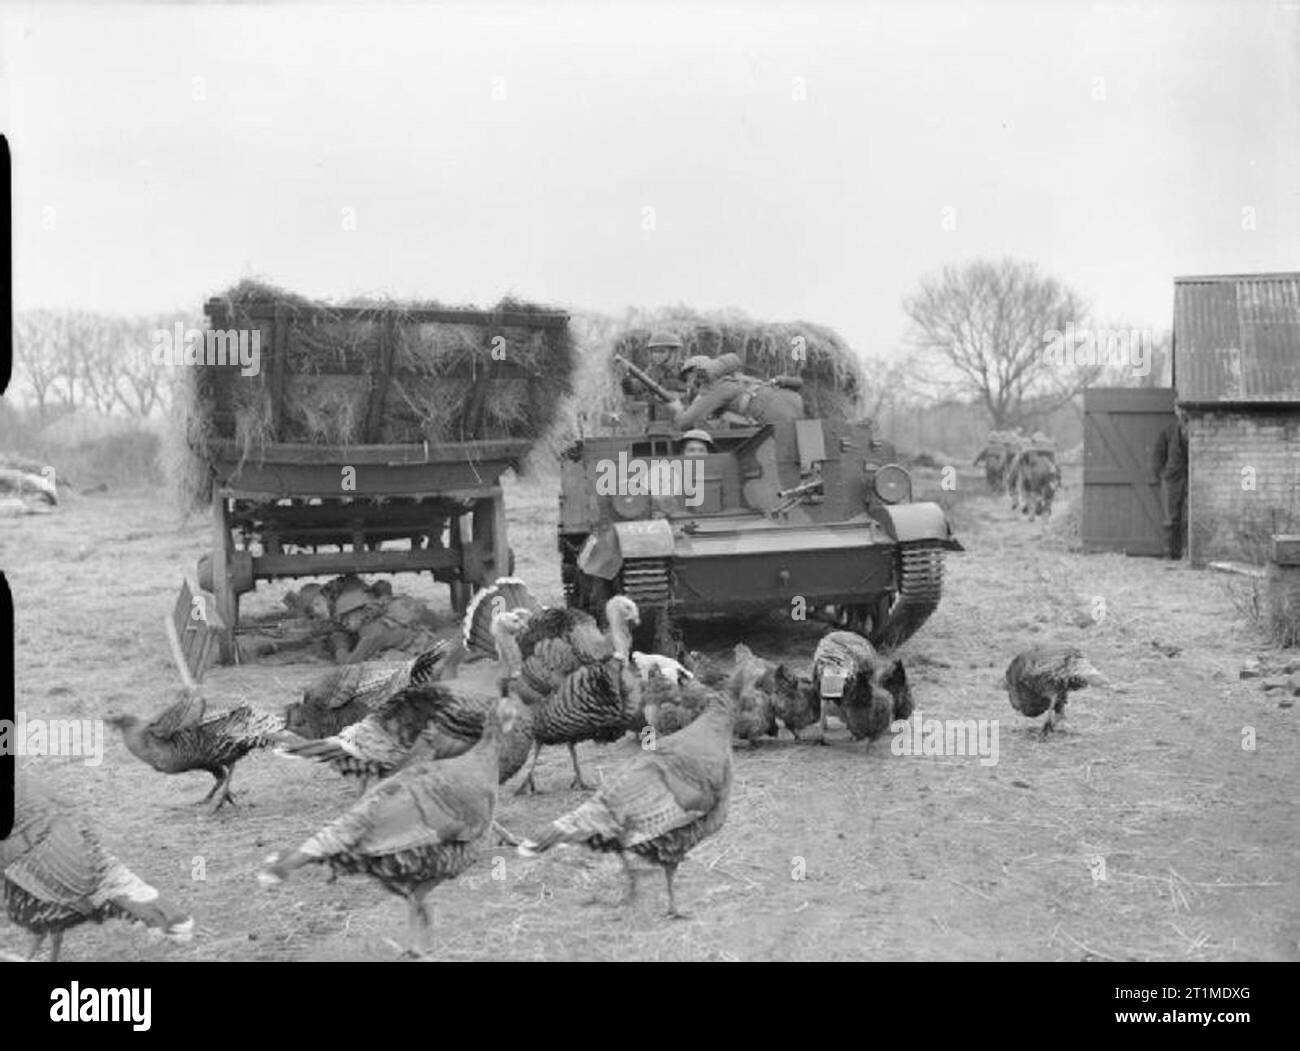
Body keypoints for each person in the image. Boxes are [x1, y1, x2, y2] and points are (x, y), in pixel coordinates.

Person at [667, 353, 804, 429]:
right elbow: (799, 383)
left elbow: (683, 424)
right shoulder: (738, 378)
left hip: (779, 422)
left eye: (688, 378)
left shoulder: (712, 387)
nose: (688, 384)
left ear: (696, 372)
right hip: (794, 406)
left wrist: (678, 409)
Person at [1152, 407, 1189, 560]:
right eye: (1179, 412)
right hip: (1170, 480)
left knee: (1186, 516)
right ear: (1176, 413)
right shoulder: (1167, 432)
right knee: (1170, 517)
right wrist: (1162, 474)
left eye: (1183, 413)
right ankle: (1169, 552)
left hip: (1188, 478)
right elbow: (1158, 455)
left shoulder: (1192, 432)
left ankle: (1184, 552)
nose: (1181, 415)